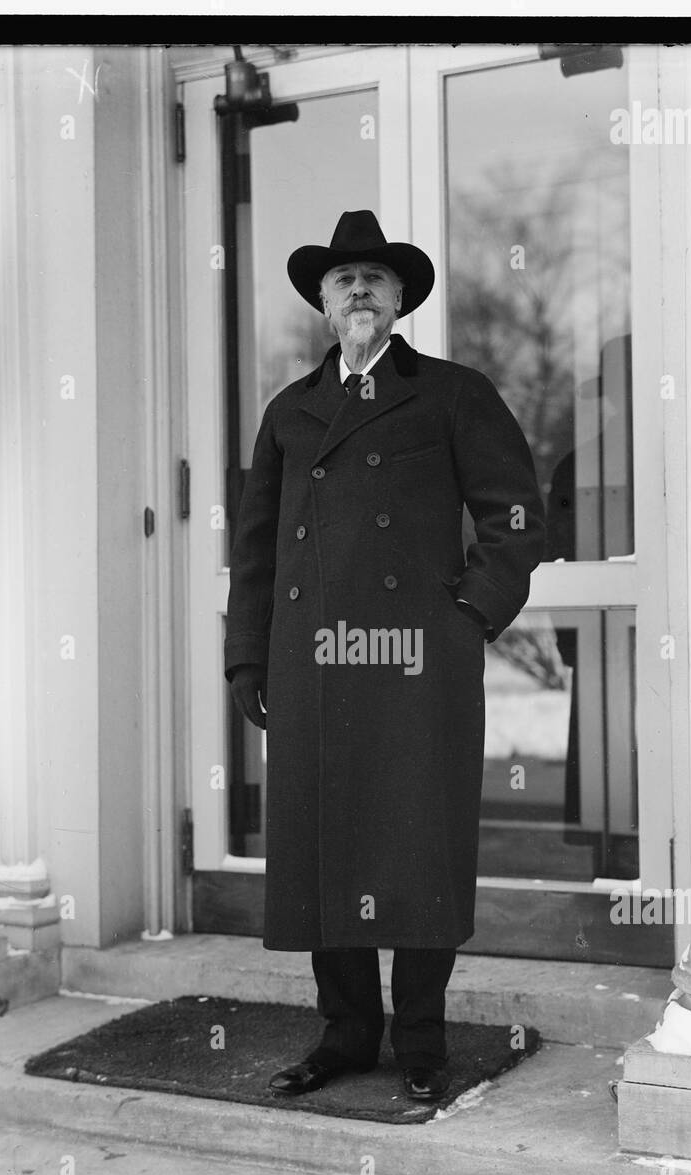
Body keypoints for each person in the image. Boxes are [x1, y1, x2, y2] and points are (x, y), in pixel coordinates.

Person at [226, 210, 546, 1101]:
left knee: (414, 845)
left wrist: (469, 615)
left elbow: (515, 515)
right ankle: (344, 1034)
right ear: (322, 305)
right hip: (312, 662)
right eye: (341, 280)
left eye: (373, 277)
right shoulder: (290, 412)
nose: (358, 290)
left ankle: (421, 1042)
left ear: (400, 299)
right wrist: (248, 657)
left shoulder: (453, 392)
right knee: (326, 847)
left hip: (413, 661)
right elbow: (255, 549)